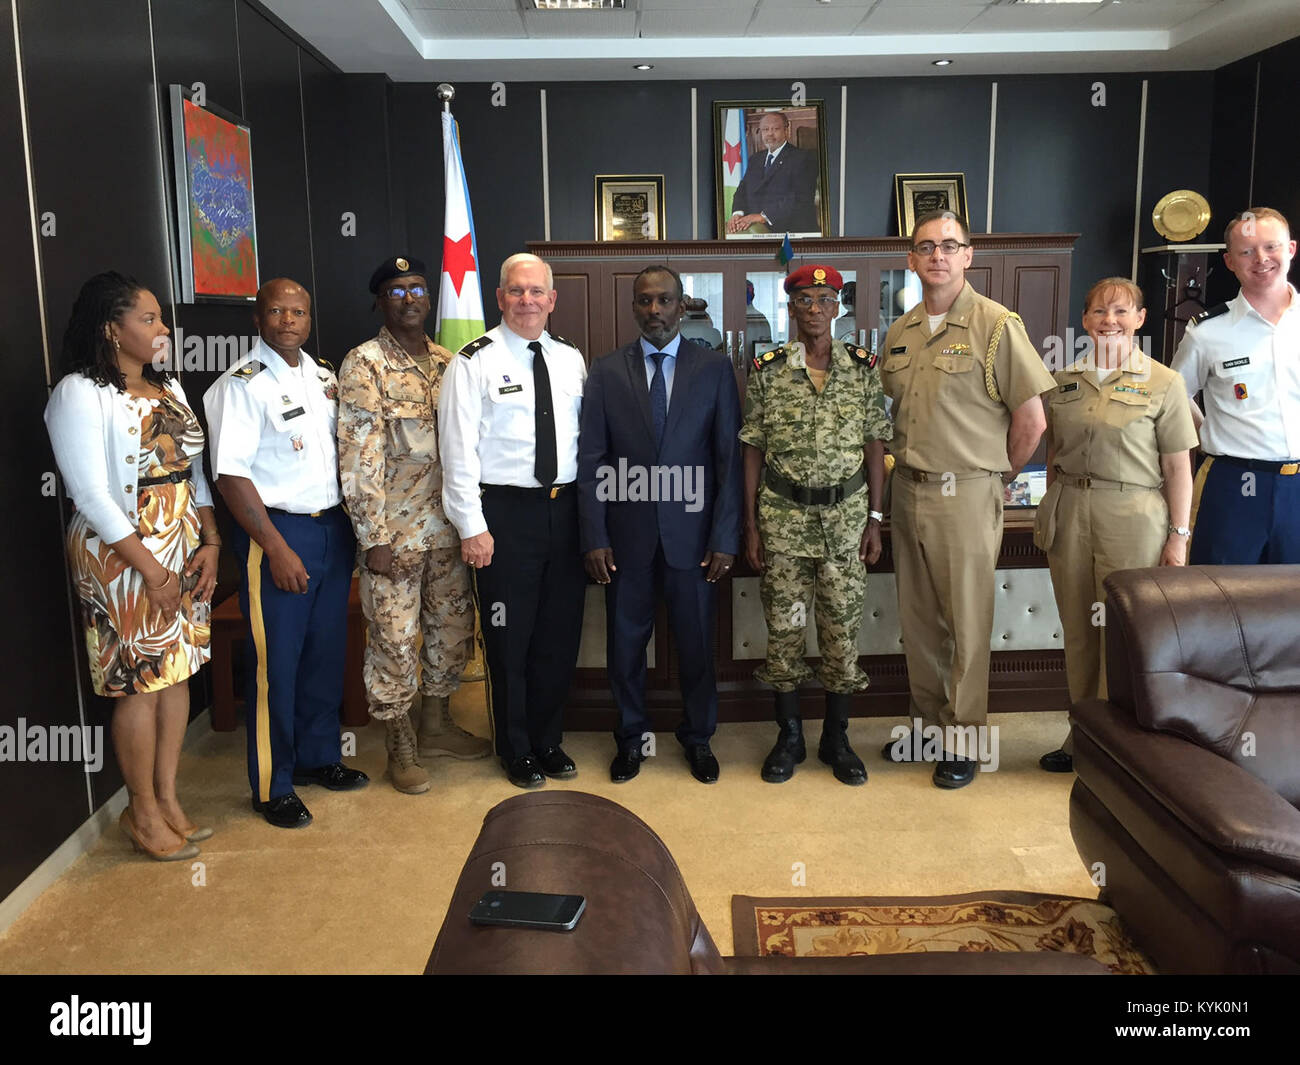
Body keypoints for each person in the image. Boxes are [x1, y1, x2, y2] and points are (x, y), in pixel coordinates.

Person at [44, 272, 219, 861]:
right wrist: (153, 571)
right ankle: (139, 812)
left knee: (177, 674)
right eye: (148, 319)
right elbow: (91, 496)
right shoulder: (78, 393)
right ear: (110, 330)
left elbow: (192, 471)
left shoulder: (167, 385)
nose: (163, 328)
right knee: (139, 685)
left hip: (181, 543)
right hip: (124, 554)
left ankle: (167, 799)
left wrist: (210, 540)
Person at [879, 210, 1056, 789]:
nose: (937, 256)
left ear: (968, 255)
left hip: (967, 493)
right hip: (908, 491)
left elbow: (1031, 418)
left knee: (967, 621)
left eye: (949, 246)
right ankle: (928, 727)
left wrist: (1000, 476)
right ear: (911, 258)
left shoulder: (997, 325)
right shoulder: (900, 332)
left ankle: (965, 738)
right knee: (920, 621)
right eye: (926, 247)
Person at [204, 278, 368, 829]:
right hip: (280, 536)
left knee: (324, 654)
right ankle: (272, 784)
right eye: (277, 310)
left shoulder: (323, 377)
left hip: (332, 530)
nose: (289, 320)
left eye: (298, 311)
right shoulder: (241, 386)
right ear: (259, 317)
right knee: (276, 665)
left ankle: (319, 758)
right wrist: (273, 546)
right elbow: (230, 476)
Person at [578, 265, 743, 784]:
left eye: (665, 301)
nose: (655, 311)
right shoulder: (605, 371)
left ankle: (698, 738)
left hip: (693, 541)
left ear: (682, 306)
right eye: (645, 302)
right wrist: (596, 536)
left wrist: (724, 537)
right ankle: (631, 739)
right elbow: (592, 461)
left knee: (696, 646)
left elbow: (728, 463)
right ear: (634, 308)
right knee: (626, 648)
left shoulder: (714, 369)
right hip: (625, 543)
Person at [337, 255, 488, 796]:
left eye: (418, 289)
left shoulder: (452, 363)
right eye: (397, 291)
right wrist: (372, 537)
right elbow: (359, 457)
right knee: (394, 638)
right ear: (380, 301)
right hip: (394, 534)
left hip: (449, 528)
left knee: (450, 630)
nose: (410, 299)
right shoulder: (365, 364)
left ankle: (436, 722)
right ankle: (398, 739)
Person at [1034, 278, 1197, 773]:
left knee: (1123, 633)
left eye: (1121, 311)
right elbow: (1054, 453)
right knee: (1080, 630)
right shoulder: (1062, 380)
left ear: (1140, 319)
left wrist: (1179, 536)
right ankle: (1081, 734)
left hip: (1133, 516)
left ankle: (1116, 747)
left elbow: (1178, 468)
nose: (1110, 320)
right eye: (1100, 311)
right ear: (1084, 321)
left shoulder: (1164, 382)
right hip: (1070, 509)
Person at [438, 253, 588, 789]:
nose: (527, 300)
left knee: (558, 635)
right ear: (500, 298)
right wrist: (472, 527)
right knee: (509, 637)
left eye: (537, 291)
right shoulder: (472, 362)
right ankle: (515, 747)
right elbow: (457, 454)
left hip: (564, 510)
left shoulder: (570, 358)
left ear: (552, 299)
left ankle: (548, 741)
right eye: (516, 291)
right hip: (504, 515)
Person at [740, 264, 892, 785]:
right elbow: (753, 446)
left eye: (823, 299)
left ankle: (836, 738)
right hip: (782, 521)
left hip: (847, 523)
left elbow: (876, 442)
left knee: (841, 634)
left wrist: (875, 517)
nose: (813, 308)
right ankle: (789, 738)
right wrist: (751, 525)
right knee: (783, 634)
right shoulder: (767, 368)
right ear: (790, 309)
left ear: (837, 308)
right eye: (803, 299)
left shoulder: (863, 367)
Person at [1171, 207, 1300, 564]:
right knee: (1218, 600)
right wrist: (1205, 429)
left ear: (1290, 249)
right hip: (1234, 483)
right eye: (1247, 251)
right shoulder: (1207, 331)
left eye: (1271, 247)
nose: (1261, 259)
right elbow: (1173, 397)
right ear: (1230, 261)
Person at [727, 110, 819, 235]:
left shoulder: (803, 158)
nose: (770, 134)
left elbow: (799, 197)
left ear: (786, 131)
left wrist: (762, 216)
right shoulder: (755, 159)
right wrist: (737, 214)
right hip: (754, 229)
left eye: (775, 129)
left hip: (790, 231)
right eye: (765, 129)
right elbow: (742, 191)